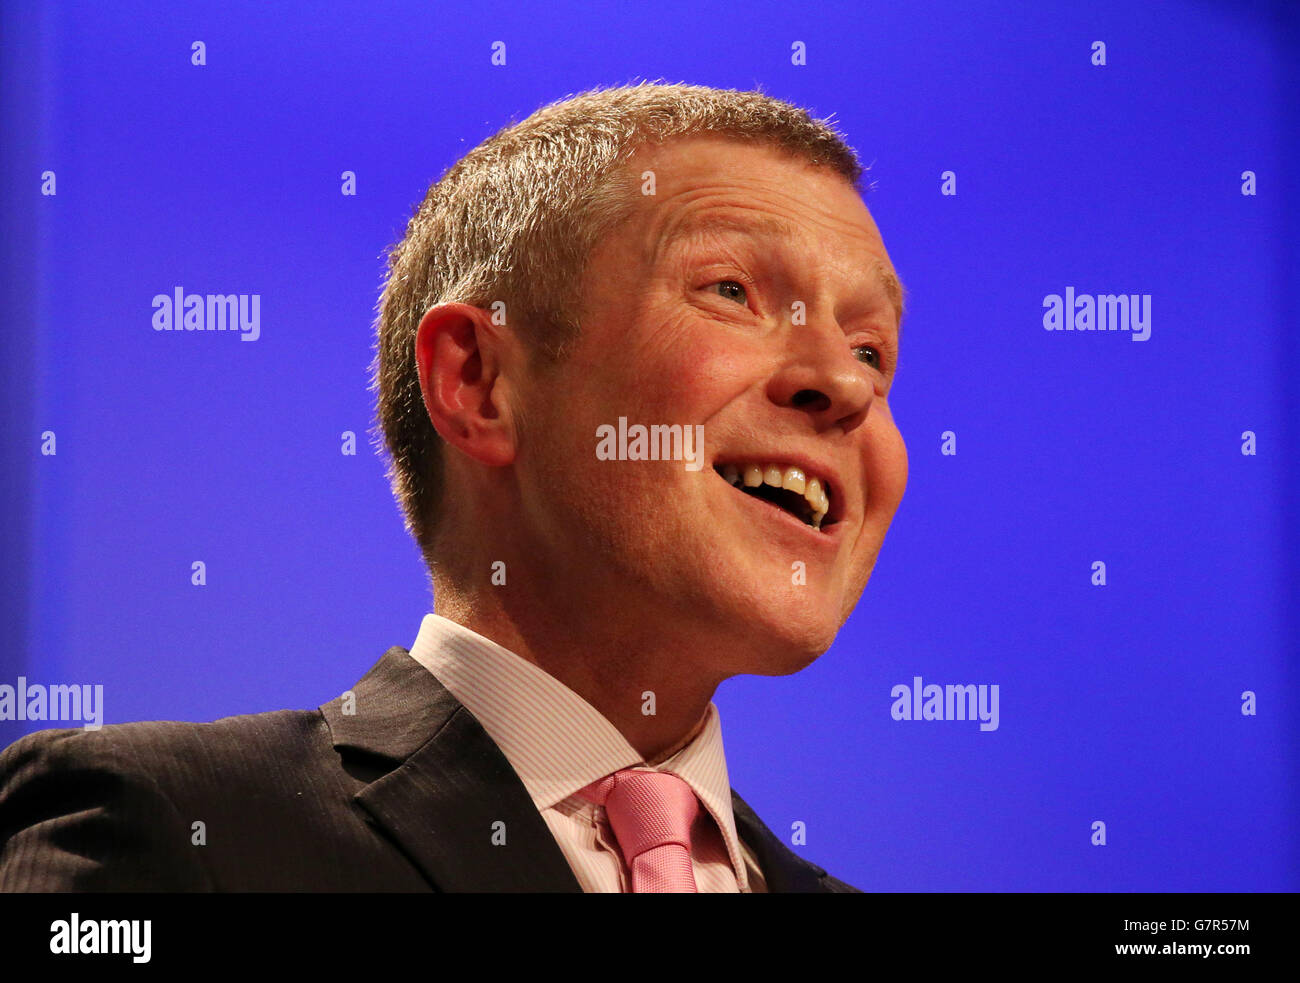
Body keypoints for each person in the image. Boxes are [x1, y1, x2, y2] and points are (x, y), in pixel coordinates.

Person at [0, 81, 908, 892]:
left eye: (873, 348)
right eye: (732, 290)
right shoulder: (166, 830)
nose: (848, 382)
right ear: (477, 382)